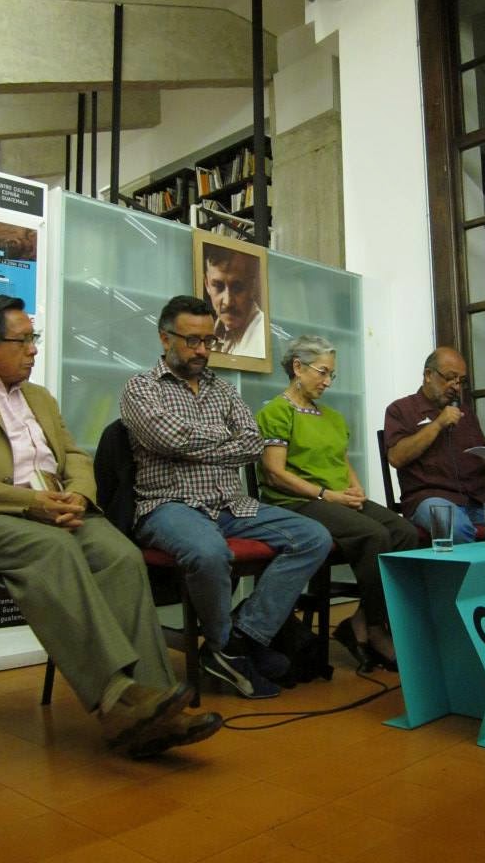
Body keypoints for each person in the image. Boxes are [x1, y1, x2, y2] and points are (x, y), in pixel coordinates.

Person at [0, 295, 221, 760]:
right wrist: (32, 504)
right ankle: (118, 703)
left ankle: (155, 706)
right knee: (54, 550)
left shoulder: (39, 397)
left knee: (121, 555)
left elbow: (73, 457)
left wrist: (78, 497)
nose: (33, 350)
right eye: (23, 340)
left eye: (34, 339)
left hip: (53, 508)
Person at [120, 295, 331, 700]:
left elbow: (252, 443)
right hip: (167, 506)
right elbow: (166, 438)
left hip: (230, 505)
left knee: (314, 537)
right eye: (192, 341)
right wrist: (218, 440)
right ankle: (223, 647)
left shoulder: (223, 390)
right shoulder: (140, 388)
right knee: (209, 552)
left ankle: (242, 639)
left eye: (209, 341)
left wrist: (190, 444)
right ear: (164, 338)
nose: (202, 351)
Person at [256, 335, 422, 672]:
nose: (328, 381)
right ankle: (376, 631)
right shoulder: (276, 411)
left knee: (405, 532)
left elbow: (341, 463)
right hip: (295, 501)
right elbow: (274, 473)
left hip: (334, 498)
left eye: (332, 375)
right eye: (322, 372)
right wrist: (325, 495)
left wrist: (357, 488)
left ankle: (362, 619)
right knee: (373, 535)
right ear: (298, 367)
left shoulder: (331, 417)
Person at [384, 346, 485, 542]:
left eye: (461, 381)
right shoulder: (401, 409)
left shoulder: (465, 413)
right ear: (428, 375)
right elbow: (396, 457)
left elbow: (482, 461)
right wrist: (438, 424)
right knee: (459, 528)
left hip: (477, 499)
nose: (456, 386)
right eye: (450, 378)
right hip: (431, 499)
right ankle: (476, 573)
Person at [203, 244, 266, 357]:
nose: (228, 302)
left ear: (252, 286)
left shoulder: (264, 334)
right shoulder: (208, 337)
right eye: (218, 286)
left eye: (237, 288)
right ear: (207, 285)